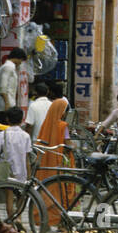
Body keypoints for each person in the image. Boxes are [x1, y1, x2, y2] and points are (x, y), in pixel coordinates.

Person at [34, 82, 72, 224]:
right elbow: (68, 144)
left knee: (47, 189)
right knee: (61, 191)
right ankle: (59, 219)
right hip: (60, 162)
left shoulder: (47, 124)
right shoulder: (63, 126)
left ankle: (44, 218)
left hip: (47, 161)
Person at [0, 108, 32, 190]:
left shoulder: (3, 134)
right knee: (21, 193)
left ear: (7, 119)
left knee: (9, 191)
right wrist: (29, 175)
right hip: (22, 171)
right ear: (21, 120)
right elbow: (27, 158)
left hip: (7, 171)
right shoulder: (26, 136)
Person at [0, 48, 26, 115]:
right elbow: (3, 88)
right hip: (5, 106)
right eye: (21, 60)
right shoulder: (8, 67)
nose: (20, 62)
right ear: (18, 58)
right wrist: (7, 103)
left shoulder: (6, 67)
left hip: (5, 105)